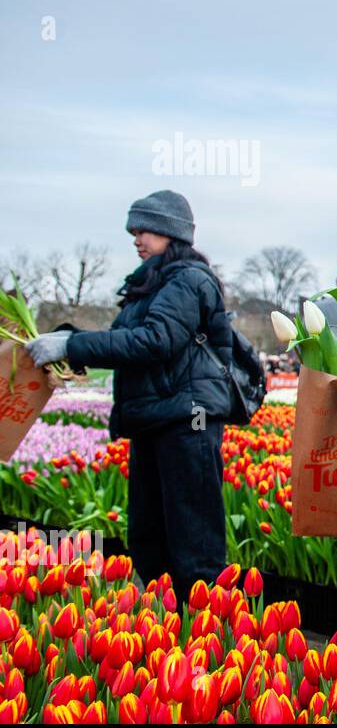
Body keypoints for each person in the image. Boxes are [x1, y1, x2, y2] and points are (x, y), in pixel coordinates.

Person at [25, 191, 233, 590]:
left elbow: (156, 340)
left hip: (186, 422)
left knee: (194, 548)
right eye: (133, 231)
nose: (136, 238)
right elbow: (125, 338)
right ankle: (168, 629)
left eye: (145, 230)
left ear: (173, 233)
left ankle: (209, 637)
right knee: (148, 540)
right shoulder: (152, 285)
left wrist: (72, 346)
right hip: (154, 418)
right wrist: (69, 344)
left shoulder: (188, 279)